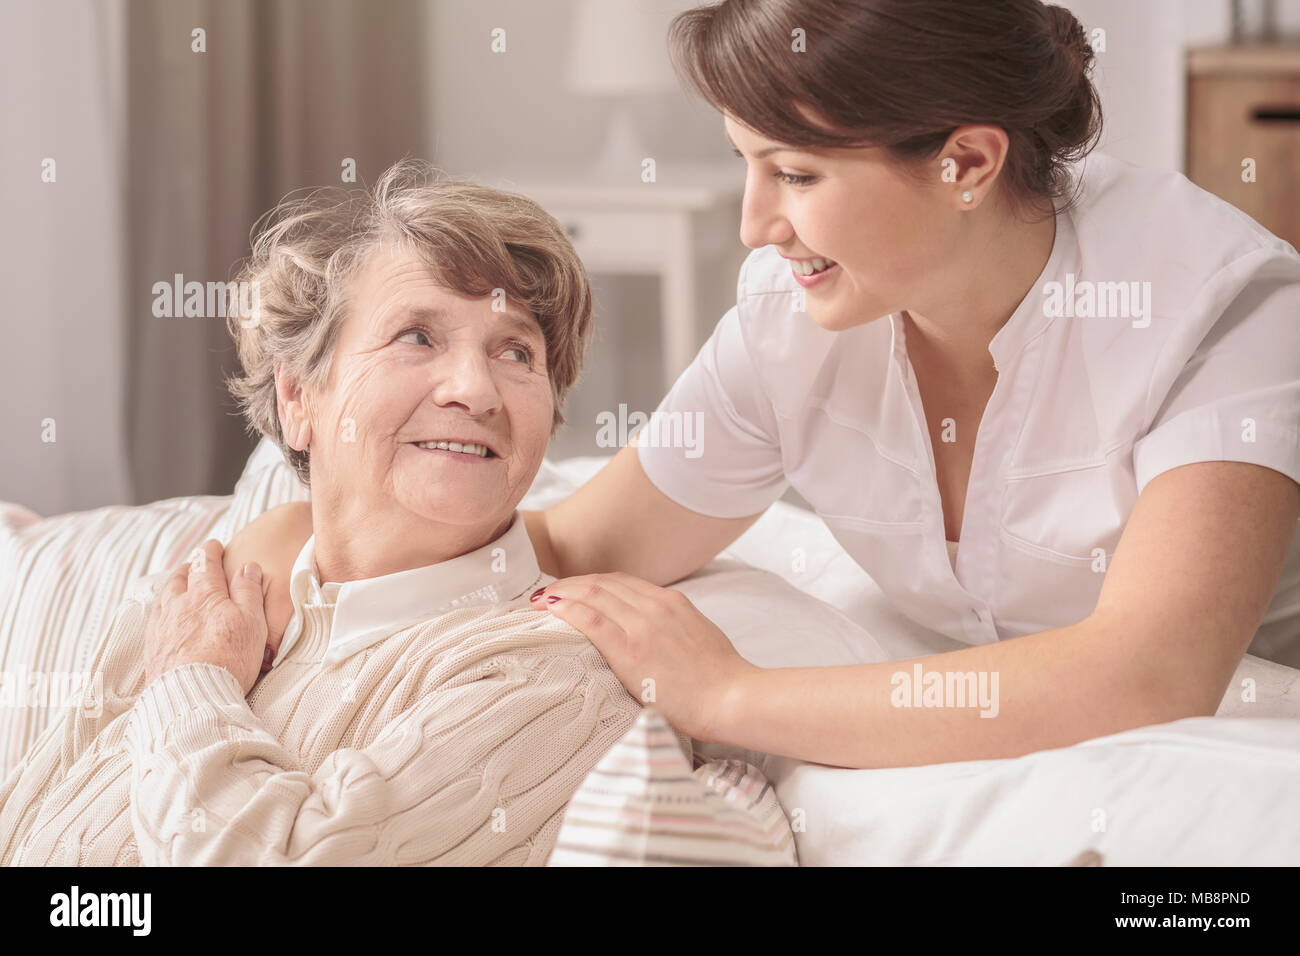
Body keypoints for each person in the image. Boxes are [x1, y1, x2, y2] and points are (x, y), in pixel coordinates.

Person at [226, 0, 1300, 771]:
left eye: (796, 174)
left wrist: (735, 695)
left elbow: (1150, 675)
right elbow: (582, 544)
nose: (754, 223)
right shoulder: (796, 318)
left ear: (965, 163)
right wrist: (308, 548)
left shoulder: (1220, 308)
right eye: (747, 163)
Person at [0, 160, 667, 865]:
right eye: (418, 336)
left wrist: (188, 684)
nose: (477, 389)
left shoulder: (549, 685)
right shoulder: (206, 605)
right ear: (298, 400)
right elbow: (30, 823)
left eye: (516, 351)